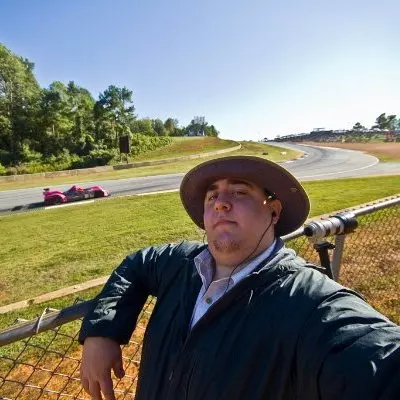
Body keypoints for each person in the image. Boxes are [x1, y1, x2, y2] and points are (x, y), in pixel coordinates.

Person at [78, 155, 400, 400]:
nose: (221, 203)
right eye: (212, 195)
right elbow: (136, 264)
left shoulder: (306, 303)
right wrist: (103, 330)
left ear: (273, 211)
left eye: (239, 192)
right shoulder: (181, 263)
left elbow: (376, 360)